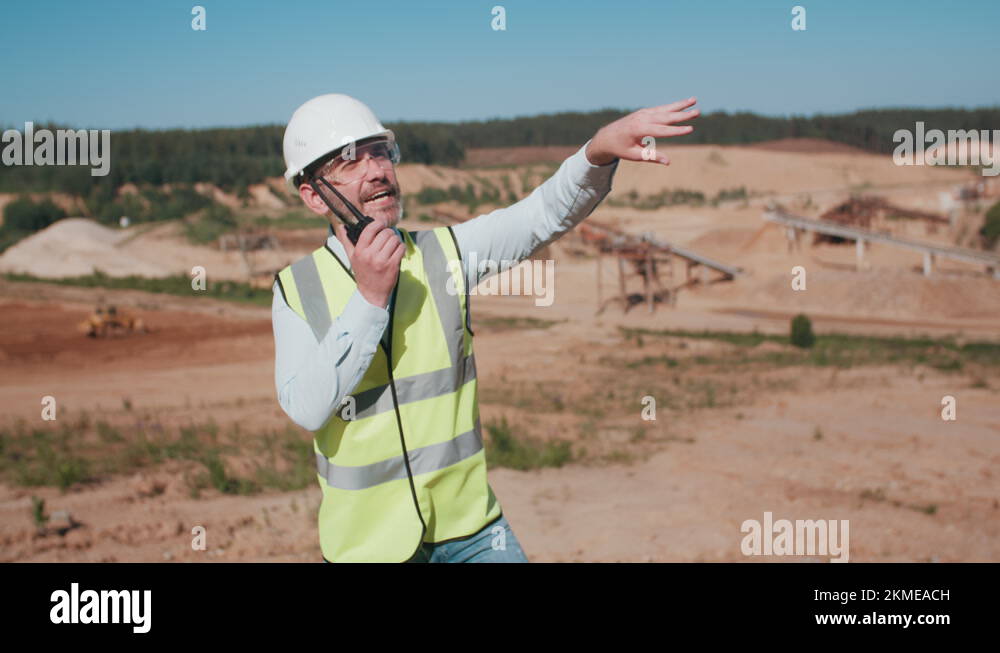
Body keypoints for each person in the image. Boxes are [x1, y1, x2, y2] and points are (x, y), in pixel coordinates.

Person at [272, 93, 699, 563]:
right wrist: (370, 298)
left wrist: (596, 151)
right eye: (351, 162)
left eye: (380, 152)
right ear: (313, 196)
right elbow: (306, 408)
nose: (376, 170)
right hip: (368, 547)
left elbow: (540, 217)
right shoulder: (296, 289)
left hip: (471, 531)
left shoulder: (448, 253)